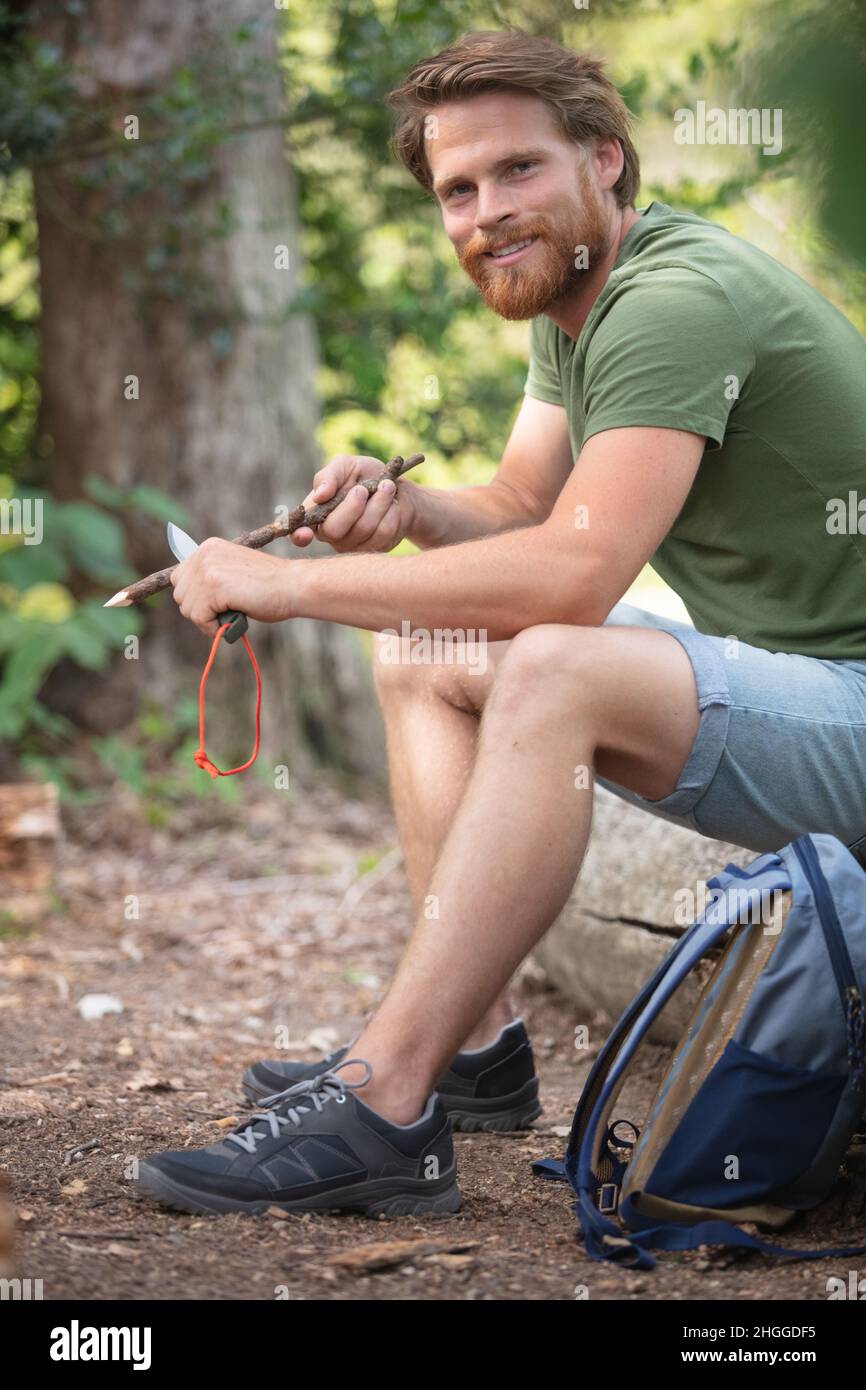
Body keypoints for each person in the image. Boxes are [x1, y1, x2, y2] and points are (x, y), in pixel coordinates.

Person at [137, 28, 866, 1217]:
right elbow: (524, 508)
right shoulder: (573, 296)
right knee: (426, 658)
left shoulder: (670, 300)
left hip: (851, 701)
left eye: (517, 170)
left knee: (553, 669)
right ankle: (471, 1057)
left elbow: (568, 581)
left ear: (605, 162)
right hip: (809, 685)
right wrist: (407, 504)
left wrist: (287, 586)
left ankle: (381, 1109)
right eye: (456, 190)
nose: (486, 211)